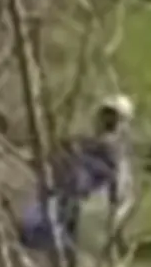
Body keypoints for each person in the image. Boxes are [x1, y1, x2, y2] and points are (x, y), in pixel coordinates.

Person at [19, 95, 136, 251]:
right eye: (106, 116)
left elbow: (116, 197)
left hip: (87, 214)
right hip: (67, 206)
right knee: (30, 229)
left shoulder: (115, 158)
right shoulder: (82, 145)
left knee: (37, 230)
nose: (108, 122)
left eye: (114, 119)